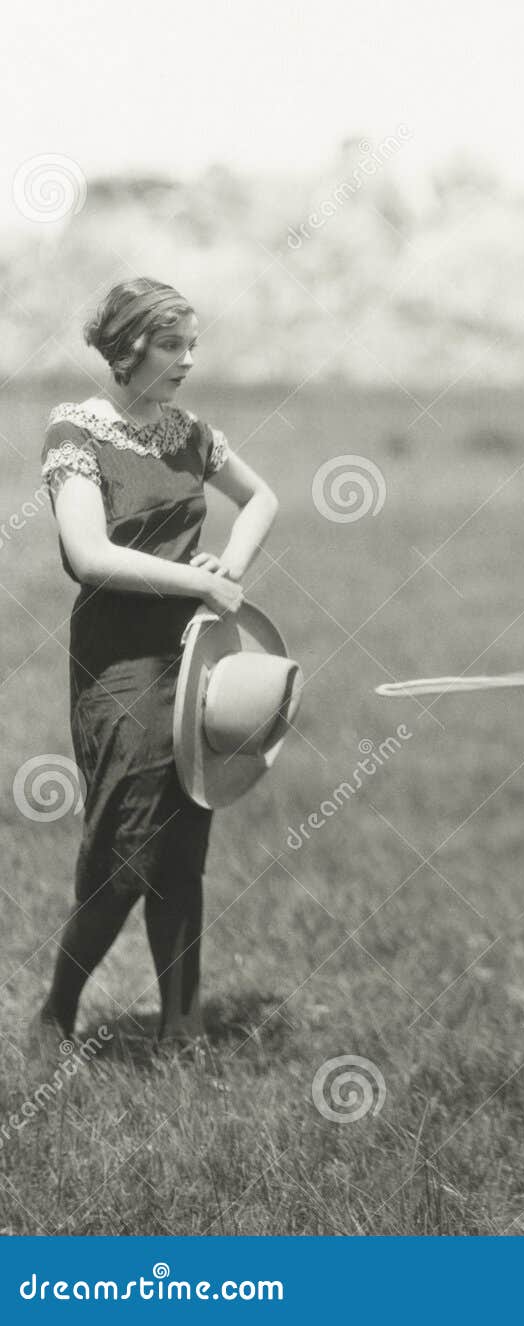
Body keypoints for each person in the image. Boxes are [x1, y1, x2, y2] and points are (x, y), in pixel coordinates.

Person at [33, 278, 279, 1053]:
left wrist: (228, 566)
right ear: (128, 346)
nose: (187, 362)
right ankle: (57, 1012)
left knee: (182, 848)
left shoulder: (189, 432)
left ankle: (183, 1026)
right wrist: (201, 579)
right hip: (120, 666)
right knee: (122, 854)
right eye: (173, 345)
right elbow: (89, 555)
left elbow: (263, 497)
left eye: (192, 346)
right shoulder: (76, 431)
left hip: (197, 658)